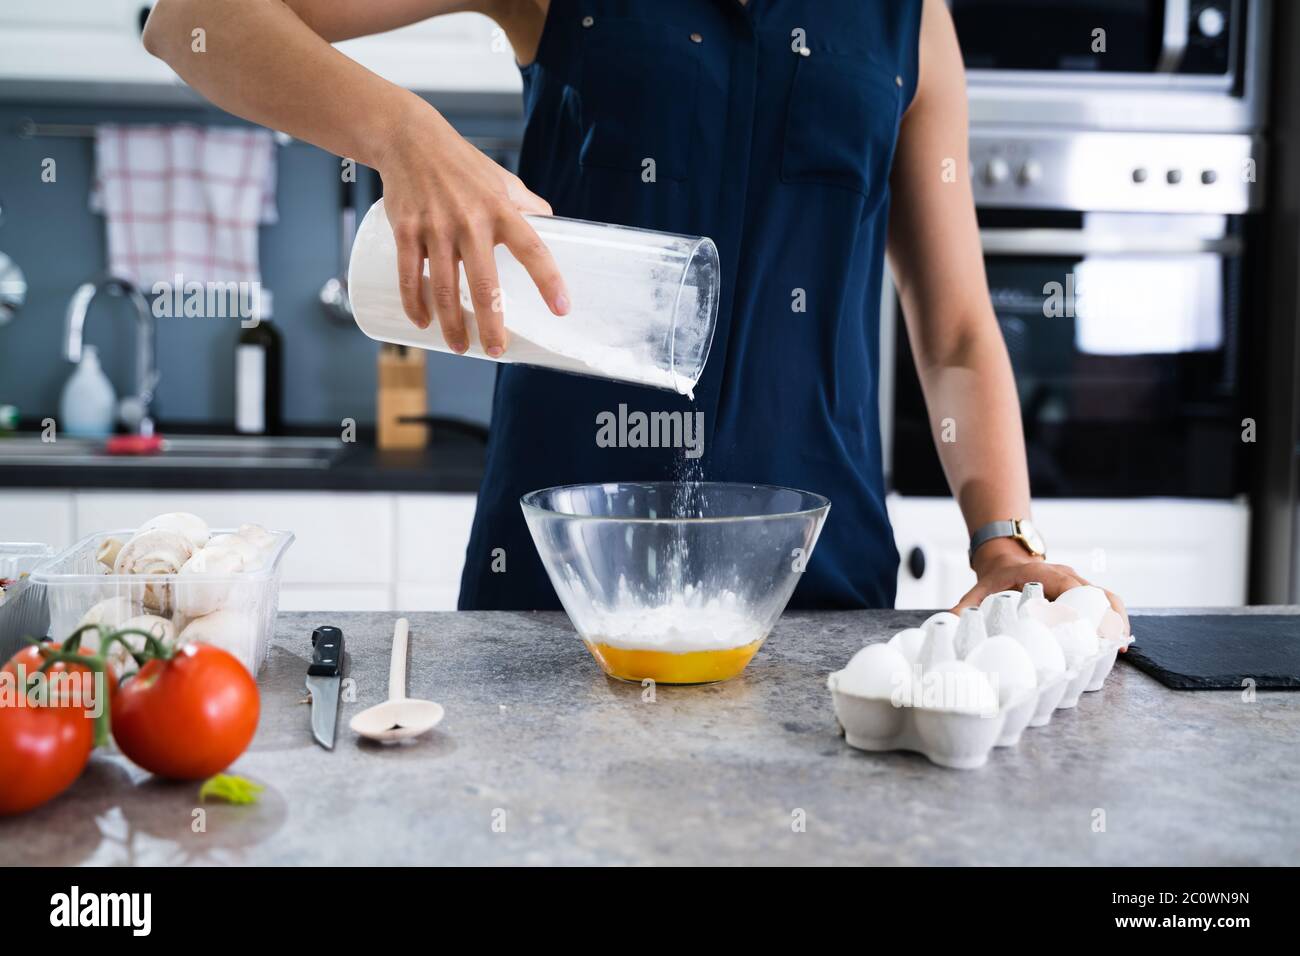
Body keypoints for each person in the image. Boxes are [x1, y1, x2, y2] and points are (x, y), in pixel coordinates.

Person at [144, 0, 1127, 627]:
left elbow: (954, 327)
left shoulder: (910, 19)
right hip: (559, 586)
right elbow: (191, 20)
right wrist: (404, 133)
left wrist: (1002, 538)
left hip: (815, 598)